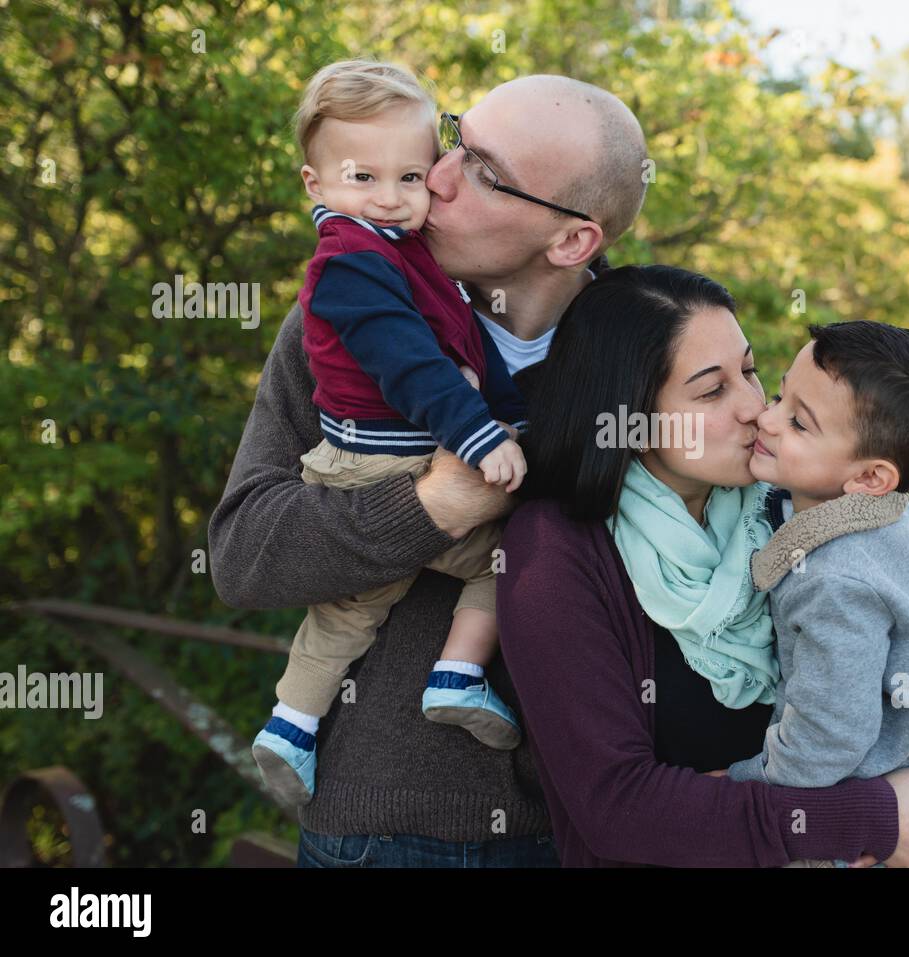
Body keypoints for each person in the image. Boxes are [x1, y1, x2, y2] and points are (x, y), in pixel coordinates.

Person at [209, 73, 648, 866]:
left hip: (592, 826)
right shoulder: (346, 310)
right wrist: (433, 504)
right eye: (453, 140)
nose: (433, 175)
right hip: (380, 826)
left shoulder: (656, 353)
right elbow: (242, 556)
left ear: (574, 239)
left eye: (482, 169)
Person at [497, 265, 909, 866]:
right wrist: (872, 818)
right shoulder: (557, 551)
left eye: (753, 373)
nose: (757, 410)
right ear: (628, 413)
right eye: (712, 391)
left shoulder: (808, 517)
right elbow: (618, 812)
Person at [251, 59, 534, 809]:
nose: (399, 197)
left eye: (411, 176)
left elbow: (466, 351)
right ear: (316, 185)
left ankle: (297, 725)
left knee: (358, 610)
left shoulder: (414, 265)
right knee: (501, 561)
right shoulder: (349, 264)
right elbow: (416, 368)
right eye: (364, 178)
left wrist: (518, 418)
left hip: (542, 823)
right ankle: (447, 675)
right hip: (369, 466)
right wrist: (473, 445)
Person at [728, 321, 909, 867]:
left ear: (870, 478)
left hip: (857, 804)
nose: (767, 418)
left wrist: (737, 784)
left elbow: (830, 737)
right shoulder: (903, 523)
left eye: (799, 423)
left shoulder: (832, 577)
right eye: (779, 394)